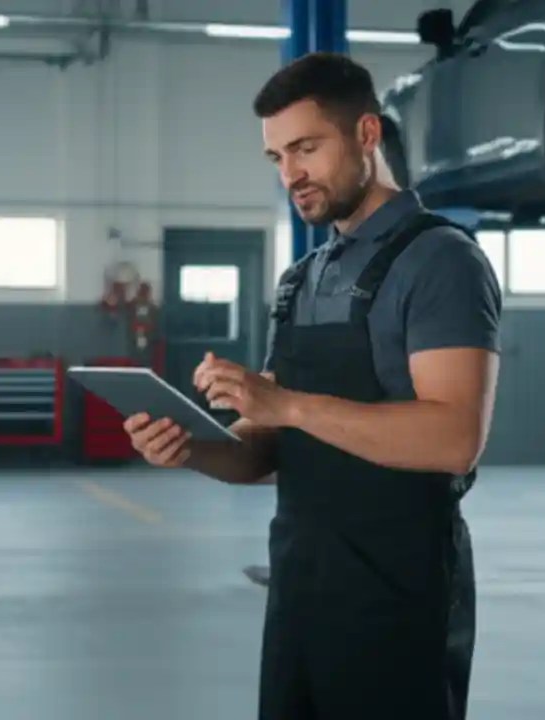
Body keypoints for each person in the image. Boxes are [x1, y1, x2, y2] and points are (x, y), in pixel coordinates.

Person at [124, 52, 501, 719]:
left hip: (400, 600)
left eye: (305, 148)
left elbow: (454, 438)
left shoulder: (441, 260)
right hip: (301, 592)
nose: (290, 174)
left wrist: (287, 402)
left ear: (366, 135)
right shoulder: (303, 277)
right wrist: (190, 447)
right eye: (276, 158)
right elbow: (267, 448)